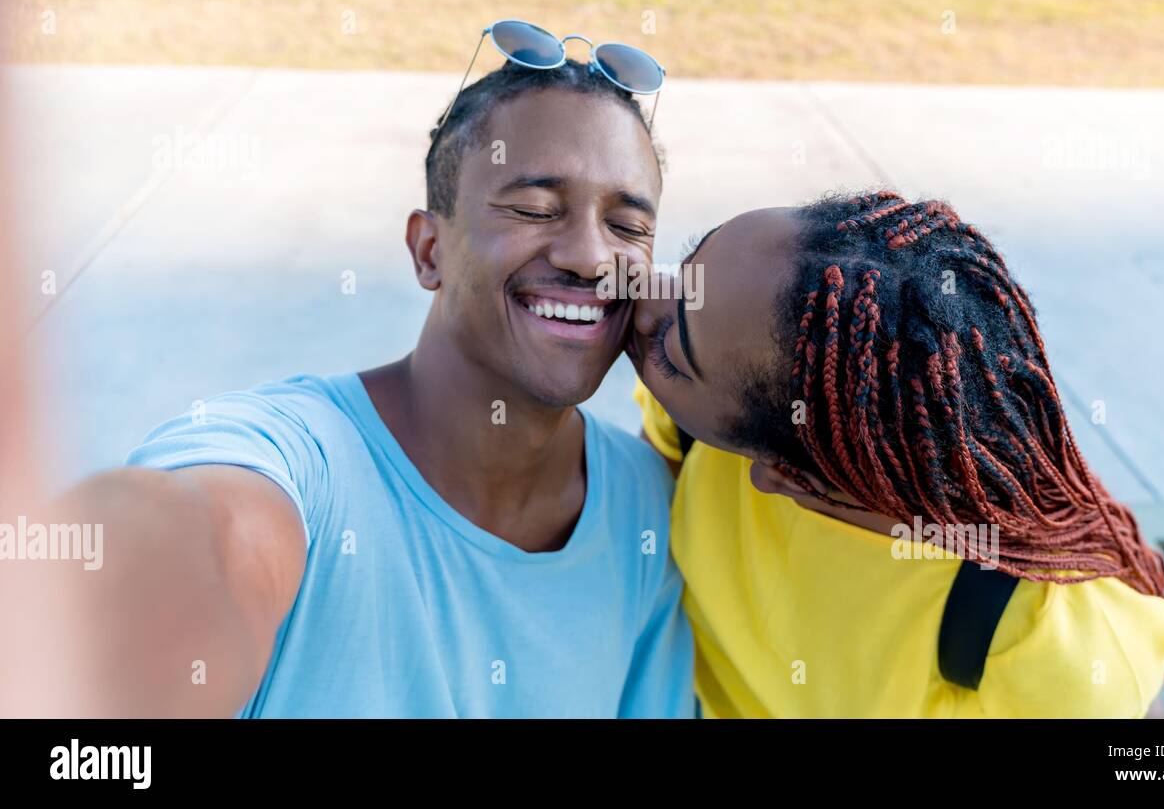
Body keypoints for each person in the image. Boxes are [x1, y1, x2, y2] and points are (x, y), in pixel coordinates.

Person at [45, 57, 694, 717]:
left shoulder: (641, 500)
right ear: (429, 250)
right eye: (534, 209)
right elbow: (207, 542)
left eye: (628, 226)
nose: (590, 257)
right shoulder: (295, 463)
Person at [629, 190, 1164, 717]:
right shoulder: (705, 413)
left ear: (791, 478)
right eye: (686, 272)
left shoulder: (1036, 635)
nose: (646, 299)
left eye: (673, 350)